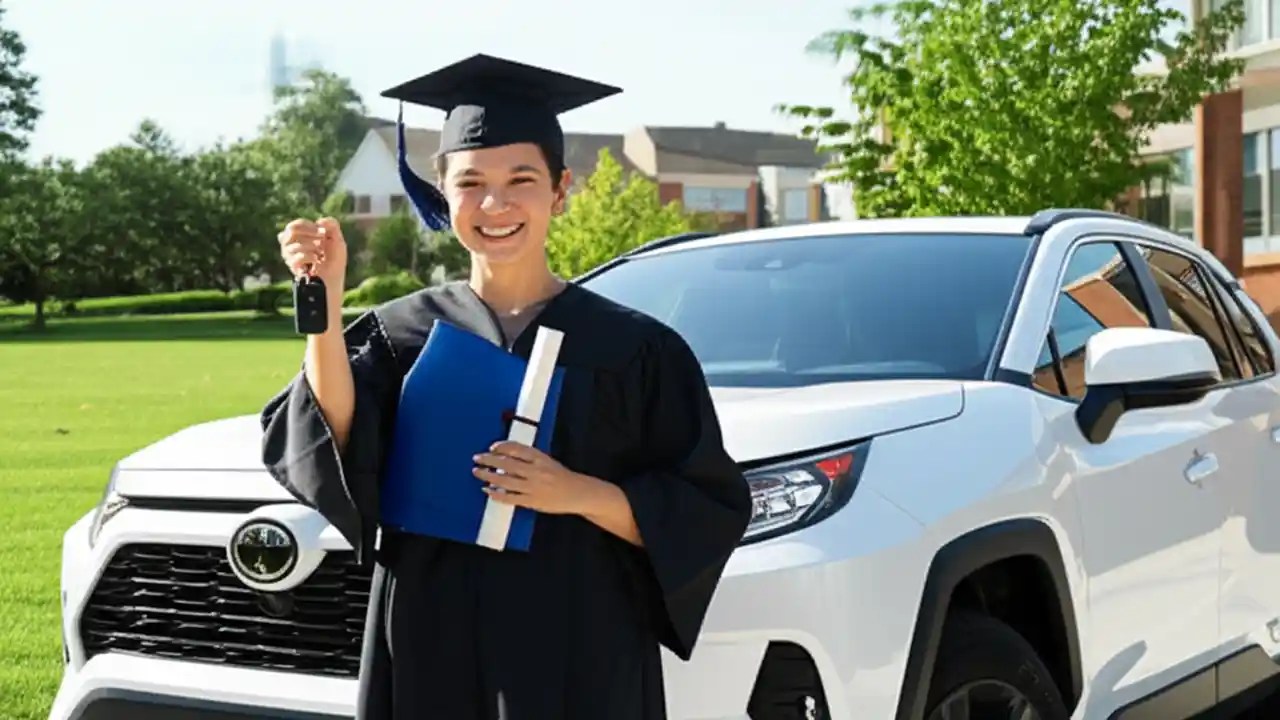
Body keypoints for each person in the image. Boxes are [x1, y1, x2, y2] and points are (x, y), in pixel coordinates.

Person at [260, 54, 752, 720]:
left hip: (582, 635)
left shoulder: (638, 350)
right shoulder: (399, 331)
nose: (495, 204)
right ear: (442, 190)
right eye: (471, 182)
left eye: (521, 179)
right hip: (432, 627)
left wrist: (575, 492)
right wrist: (326, 305)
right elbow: (334, 437)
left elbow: (704, 509)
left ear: (560, 189)